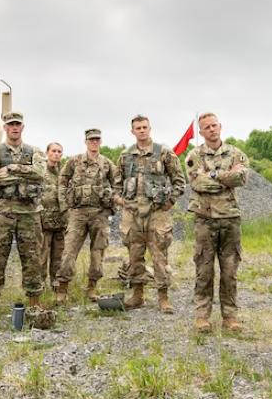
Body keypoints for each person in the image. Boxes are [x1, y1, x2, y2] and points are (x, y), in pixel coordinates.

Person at [0, 111, 47, 325]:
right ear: (5, 127)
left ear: (23, 127)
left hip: (29, 213)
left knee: (32, 258)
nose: (14, 127)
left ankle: (34, 304)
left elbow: (40, 174)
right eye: (10, 124)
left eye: (18, 124)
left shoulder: (34, 150)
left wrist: (12, 168)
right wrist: (25, 171)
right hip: (1, 212)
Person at [185, 113, 249, 332]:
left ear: (220, 127)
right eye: (206, 127)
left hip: (230, 218)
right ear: (201, 132)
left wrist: (212, 174)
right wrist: (223, 177)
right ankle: (202, 316)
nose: (211, 129)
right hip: (205, 218)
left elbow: (241, 178)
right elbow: (198, 182)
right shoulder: (194, 154)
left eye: (214, 125)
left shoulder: (236, 154)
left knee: (230, 270)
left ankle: (230, 316)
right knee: (204, 269)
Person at [116, 116, 185, 313]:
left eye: (144, 127)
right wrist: (121, 201)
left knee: (159, 256)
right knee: (134, 255)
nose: (142, 130)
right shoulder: (125, 156)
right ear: (132, 132)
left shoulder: (163, 152)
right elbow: (115, 184)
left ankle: (163, 298)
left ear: (150, 129)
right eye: (138, 128)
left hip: (156, 213)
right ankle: (137, 296)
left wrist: (169, 202)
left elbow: (179, 181)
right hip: (133, 214)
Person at [54, 129, 120, 303]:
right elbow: (62, 181)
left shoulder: (106, 163)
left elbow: (118, 184)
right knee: (69, 251)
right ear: (86, 141)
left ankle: (92, 287)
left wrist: (111, 206)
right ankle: (62, 288)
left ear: (101, 141)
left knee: (98, 252)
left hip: (99, 213)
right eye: (91, 139)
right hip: (78, 213)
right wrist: (65, 206)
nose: (94, 142)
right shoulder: (74, 161)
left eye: (97, 139)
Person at [40, 142, 68, 296]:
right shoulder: (40, 171)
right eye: (54, 151)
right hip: (43, 220)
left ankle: (56, 282)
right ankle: (41, 282)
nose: (56, 154)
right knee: (42, 255)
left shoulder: (65, 171)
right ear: (47, 152)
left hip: (61, 220)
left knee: (59, 254)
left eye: (59, 151)